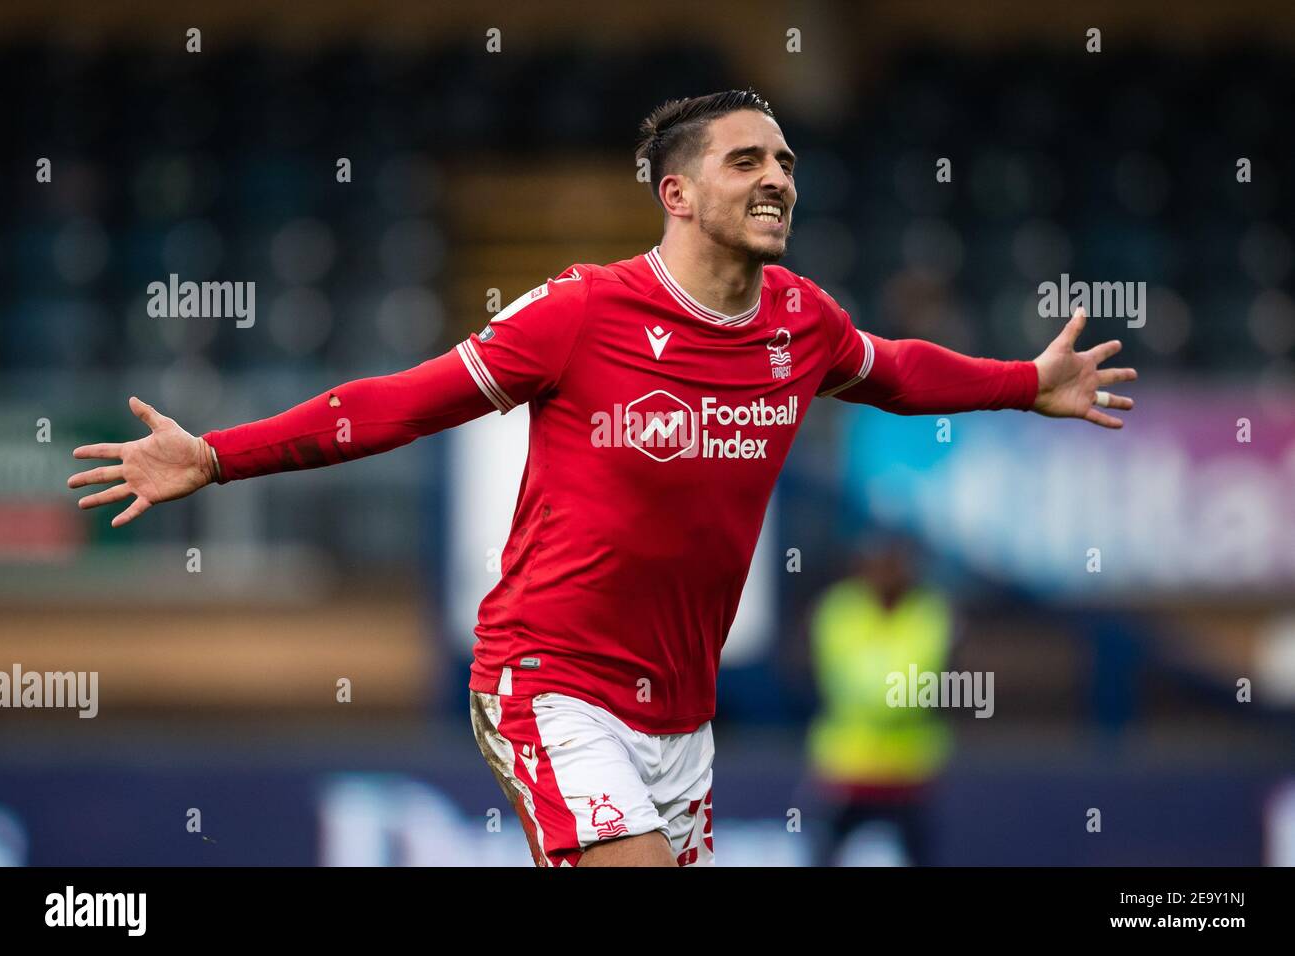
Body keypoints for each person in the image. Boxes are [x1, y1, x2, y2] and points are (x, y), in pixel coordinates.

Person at [68, 89, 1136, 867]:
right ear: (675, 190)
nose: (777, 177)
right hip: (549, 678)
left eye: (787, 162)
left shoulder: (802, 321)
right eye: (747, 160)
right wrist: (216, 454)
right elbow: (399, 401)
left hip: (683, 715)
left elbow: (894, 369)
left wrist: (1022, 380)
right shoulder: (581, 311)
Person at [807, 535, 953, 866]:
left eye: (892, 563)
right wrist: (888, 685)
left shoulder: (929, 613)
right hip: (846, 768)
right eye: (876, 562)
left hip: (910, 770)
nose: (884, 572)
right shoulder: (838, 609)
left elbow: (914, 689)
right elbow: (847, 683)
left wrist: (878, 685)